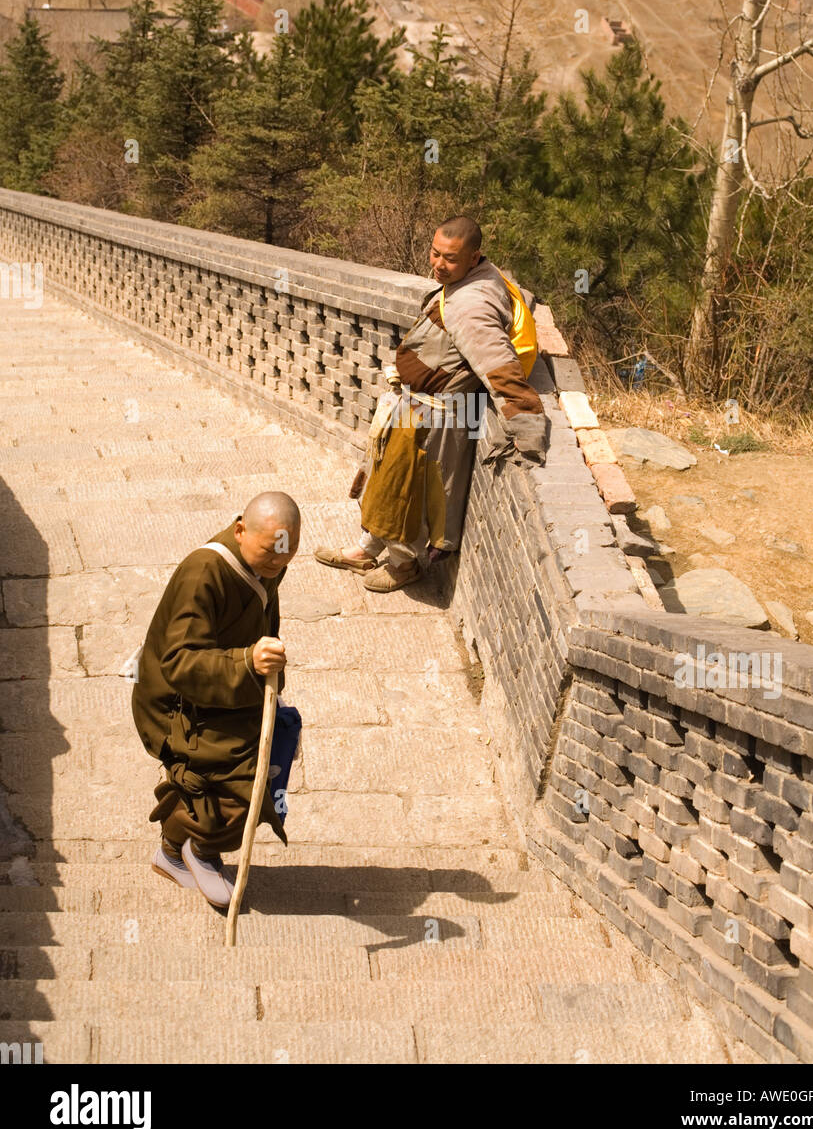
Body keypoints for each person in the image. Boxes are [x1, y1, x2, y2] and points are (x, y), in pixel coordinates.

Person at [315, 216, 549, 593]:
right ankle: (366, 549)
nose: (438, 264)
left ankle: (404, 565)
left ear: (474, 258)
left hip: (433, 420)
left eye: (450, 259)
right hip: (411, 408)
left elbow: (499, 367)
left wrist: (528, 428)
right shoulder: (469, 280)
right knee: (384, 482)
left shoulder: (472, 303)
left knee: (409, 494)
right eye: (435, 253)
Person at [132, 492, 299, 908]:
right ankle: (196, 851)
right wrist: (247, 661)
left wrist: (264, 664)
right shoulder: (203, 573)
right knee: (242, 779)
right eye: (269, 554)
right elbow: (179, 661)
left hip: (229, 683)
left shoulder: (267, 559)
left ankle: (176, 853)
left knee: (271, 754)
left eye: (286, 556)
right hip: (179, 703)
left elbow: (261, 616)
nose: (277, 565)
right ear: (240, 530)